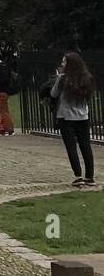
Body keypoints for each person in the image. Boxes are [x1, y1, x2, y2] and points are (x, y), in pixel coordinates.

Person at [50, 52, 96, 188]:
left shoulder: (63, 78)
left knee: (71, 147)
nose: (62, 64)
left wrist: (58, 78)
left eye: (64, 62)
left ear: (70, 64)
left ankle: (78, 176)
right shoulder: (87, 78)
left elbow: (53, 93)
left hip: (66, 116)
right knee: (85, 145)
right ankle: (90, 176)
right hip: (83, 116)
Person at [0, 57, 15, 136]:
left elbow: (3, 79)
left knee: (3, 111)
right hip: (2, 91)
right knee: (4, 111)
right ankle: (7, 128)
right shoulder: (1, 67)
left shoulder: (2, 68)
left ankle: (8, 129)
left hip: (1, 91)